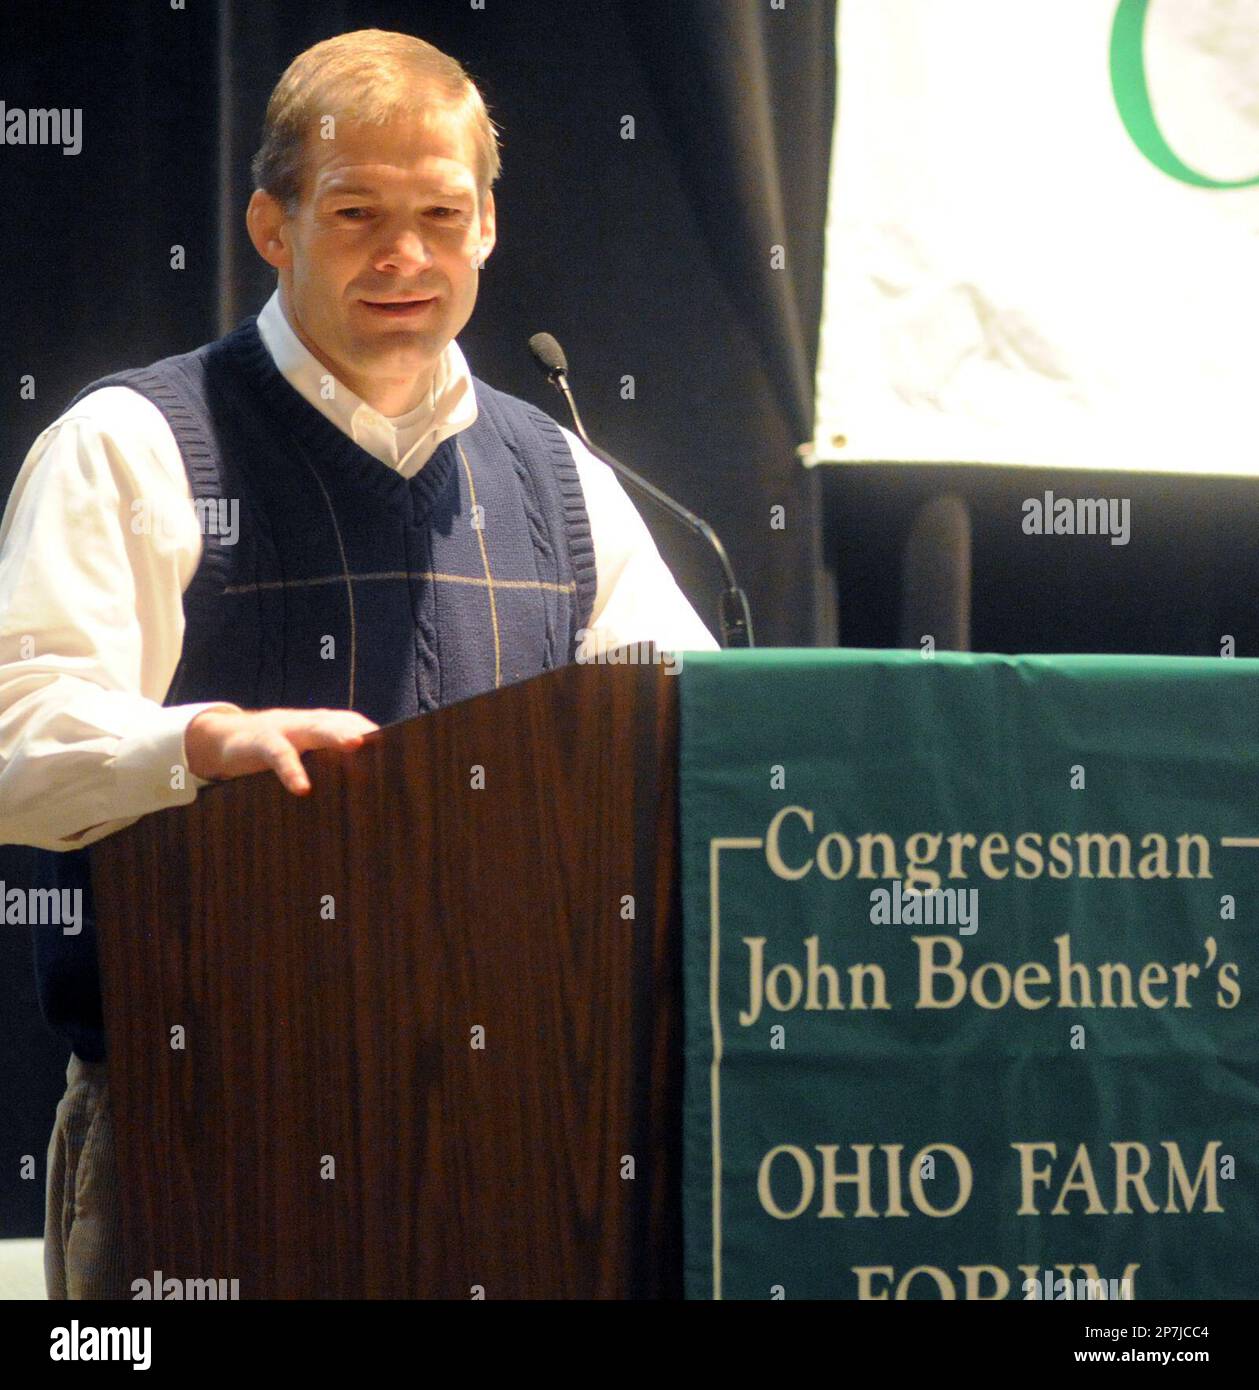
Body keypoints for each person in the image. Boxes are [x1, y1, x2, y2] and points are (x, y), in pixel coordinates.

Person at [0, 28, 718, 1300]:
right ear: (270, 227)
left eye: (443, 214)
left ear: (489, 224)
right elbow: (14, 743)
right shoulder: (133, 444)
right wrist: (194, 745)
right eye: (357, 214)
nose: (407, 257)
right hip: (207, 1125)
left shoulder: (561, 476)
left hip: (525, 1132)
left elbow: (700, 739)